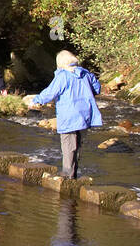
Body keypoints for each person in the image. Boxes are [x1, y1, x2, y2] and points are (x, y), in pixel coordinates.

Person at [24, 50, 102, 179]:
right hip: (86, 114)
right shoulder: (86, 73)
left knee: (68, 145)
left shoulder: (63, 76)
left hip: (69, 115)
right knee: (78, 145)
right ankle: (73, 172)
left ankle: (67, 173)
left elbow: (51, 92)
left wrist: (36, 100)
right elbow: (97, 89)